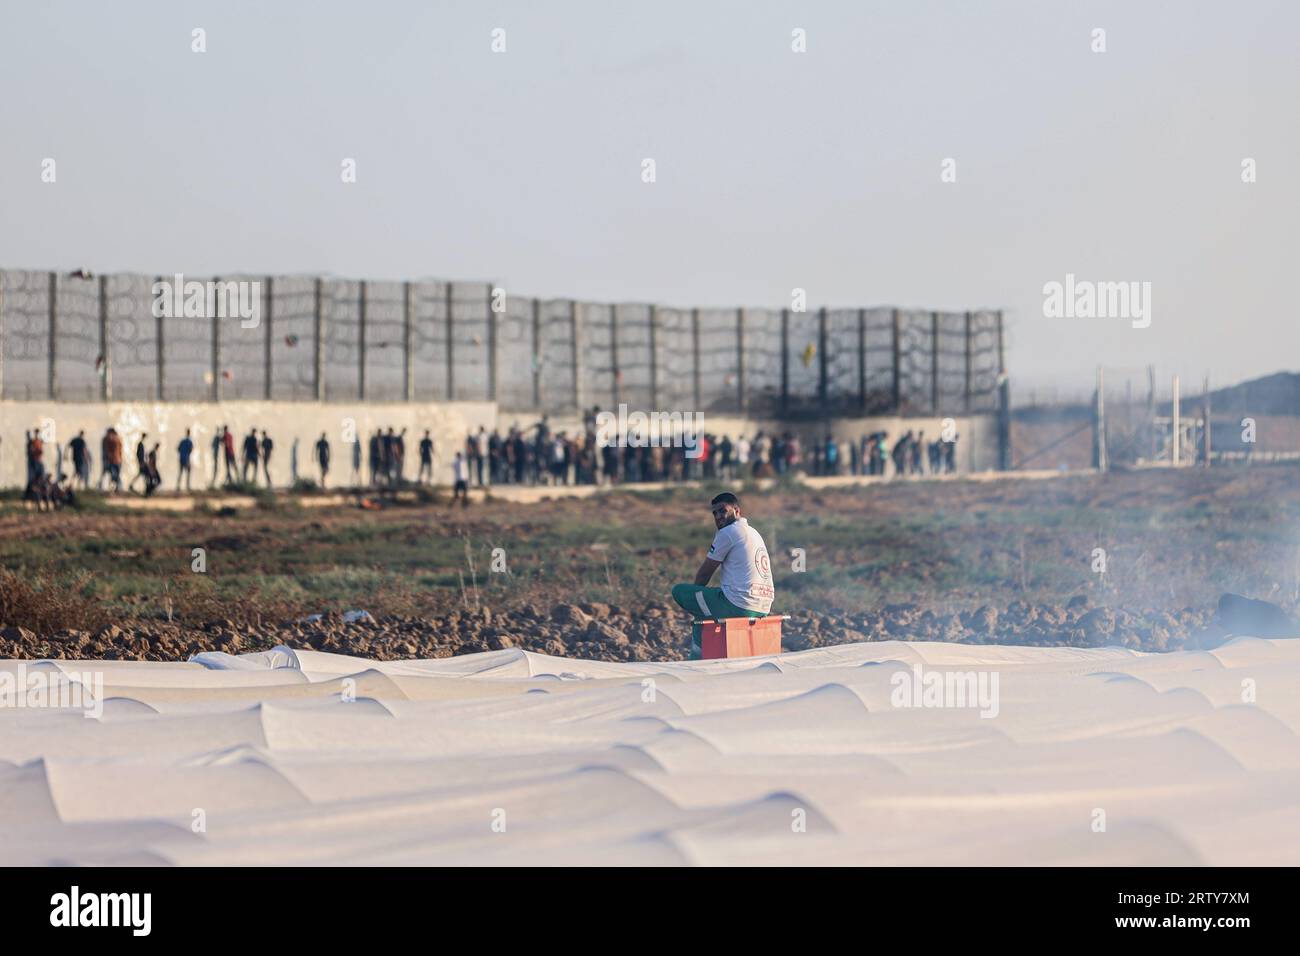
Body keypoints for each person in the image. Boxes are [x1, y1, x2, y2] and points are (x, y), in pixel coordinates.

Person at [670, 492, 775, 661]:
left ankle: (696, 661)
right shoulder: (753, 532)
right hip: (763, 606)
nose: (718, 517)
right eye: (715, 513)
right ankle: (711, 654)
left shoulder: (728, 532)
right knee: (703, 611)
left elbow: (706, 572)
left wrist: (695, 594)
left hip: (739, 605)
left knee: (680, 591)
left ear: (737, 510)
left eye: (723, 511)